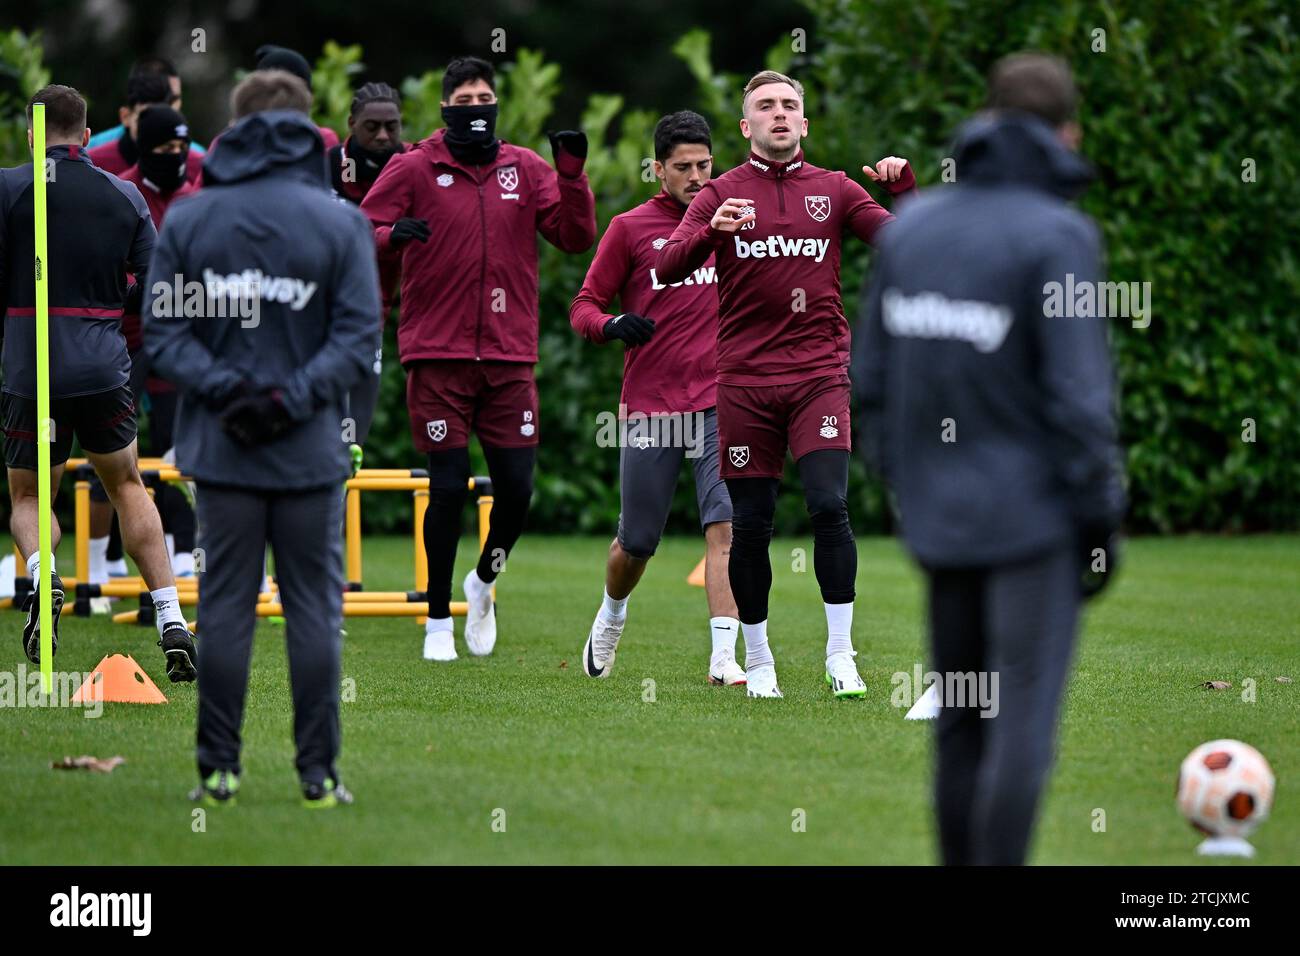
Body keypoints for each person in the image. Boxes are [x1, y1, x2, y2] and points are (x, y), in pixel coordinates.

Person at [852, 53, 1125, 865]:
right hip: (1032, 525)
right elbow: (1080, 403)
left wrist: (913, 486)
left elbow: (868, 383)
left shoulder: (915, 230)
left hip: (941, 522)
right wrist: (1102, 516)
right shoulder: (1061, 234)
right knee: (1021, 728)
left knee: (960, 723)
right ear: (1066, 133)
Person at [144, 69, 381, 807]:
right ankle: (319, 775)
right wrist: (292, 398)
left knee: (223, 607)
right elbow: (359, 337)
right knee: (314, 609)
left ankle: (217, 771)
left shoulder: (189, 218)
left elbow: (163, 333)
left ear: (237, 127)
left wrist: (229, 392)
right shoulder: (340, 221)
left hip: (221, 445)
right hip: (309, 445)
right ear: (306, 128)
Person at [656, 70, 914, 699]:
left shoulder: (835, 189)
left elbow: (908, 245)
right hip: (744, 380)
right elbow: (666, 265)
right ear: (746, 126)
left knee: (830, 505)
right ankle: (761, 661)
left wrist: (904, 192)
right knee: (751, 521)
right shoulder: (718, 192)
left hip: (818, 375)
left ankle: (841, 657)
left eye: (789, 106)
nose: (779, 114)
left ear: (804, 124)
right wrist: (713, 231)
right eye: (765, 106)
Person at [361, 55, 596, 662]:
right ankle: (438, 616)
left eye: (483, 100)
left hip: (509, 355)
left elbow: (573, 237)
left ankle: (483, 581)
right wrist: (392, 236)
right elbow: (359, 231)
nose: (475, 111)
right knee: (445, 490)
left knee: (517, 492)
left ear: (496, 105)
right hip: (436, 355)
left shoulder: (526, 167)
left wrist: (572, 176)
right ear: (445, 109)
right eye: (463, 102)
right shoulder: (414, 166)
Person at [0, 84, 196, 680]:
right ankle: (170, 618)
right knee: (128, 485)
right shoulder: (126, 194)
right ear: (88, 136)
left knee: (32, 498)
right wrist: (112, 296)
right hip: (102, 364)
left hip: (29, 365)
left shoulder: (8, 188)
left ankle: (44, 577)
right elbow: (159, 286)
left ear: (33, 134)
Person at [569, 110, 743, 685]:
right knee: (638, 542)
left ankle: (724, 658)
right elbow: (583, 306)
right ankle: (612, 612)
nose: (697, 177)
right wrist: (614, 323)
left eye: (704, 165)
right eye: (683, 167)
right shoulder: (630, 228)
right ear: (658, 169)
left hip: (723, 398)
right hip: (653, 407)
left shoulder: (736, 218)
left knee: (724, 526)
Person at [327, 81, 407, 446]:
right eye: (371, 127)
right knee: (324, 432)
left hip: (369, 320)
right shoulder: (324, 166)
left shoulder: (411, 170)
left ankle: (338, 501)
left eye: (392, 126)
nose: (382, 135)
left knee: (353, 440)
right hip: (315, 316)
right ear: (351, 124)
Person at [87, 63, 204, 182]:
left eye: (164, 121)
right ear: (126, 116)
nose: (157, 132)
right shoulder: (90, 162)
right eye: (145, 120)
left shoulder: (200, 165)